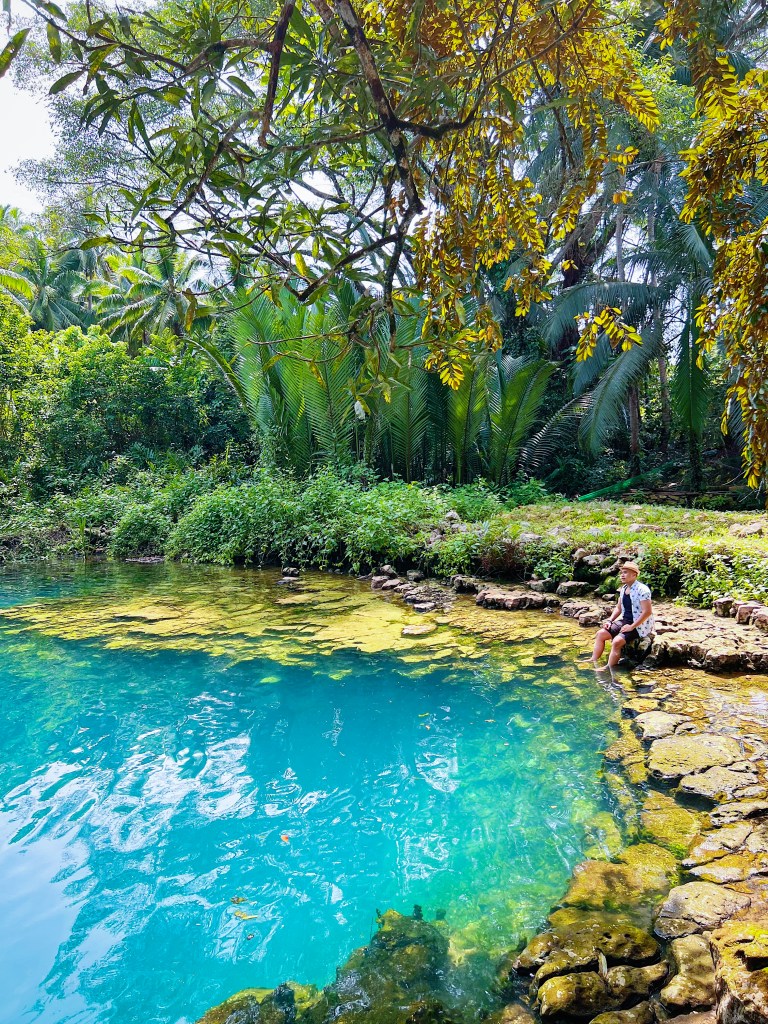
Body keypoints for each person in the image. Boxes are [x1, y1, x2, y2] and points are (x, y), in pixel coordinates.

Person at [588, 561, 655, 668]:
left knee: (616, 642)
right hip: (625, 621)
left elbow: (647, 612)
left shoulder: (643, 590)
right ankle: (593, 660)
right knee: (600, 634)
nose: (622, 575)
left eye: (625, 573)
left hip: (639, 625)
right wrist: (610, 620)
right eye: (621, 573)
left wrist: (632, 626)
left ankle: (608, 667)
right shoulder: (623, 589)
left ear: (634, 575)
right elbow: (619, 608)